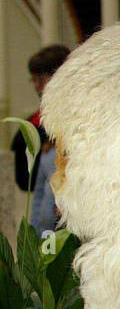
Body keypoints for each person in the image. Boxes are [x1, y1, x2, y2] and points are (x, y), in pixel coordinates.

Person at [12, 45, 71, 235]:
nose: (36, 85)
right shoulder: (34, 126)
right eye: (33, 79)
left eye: (40, 78)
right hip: (47, 224)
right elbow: (29, 183)